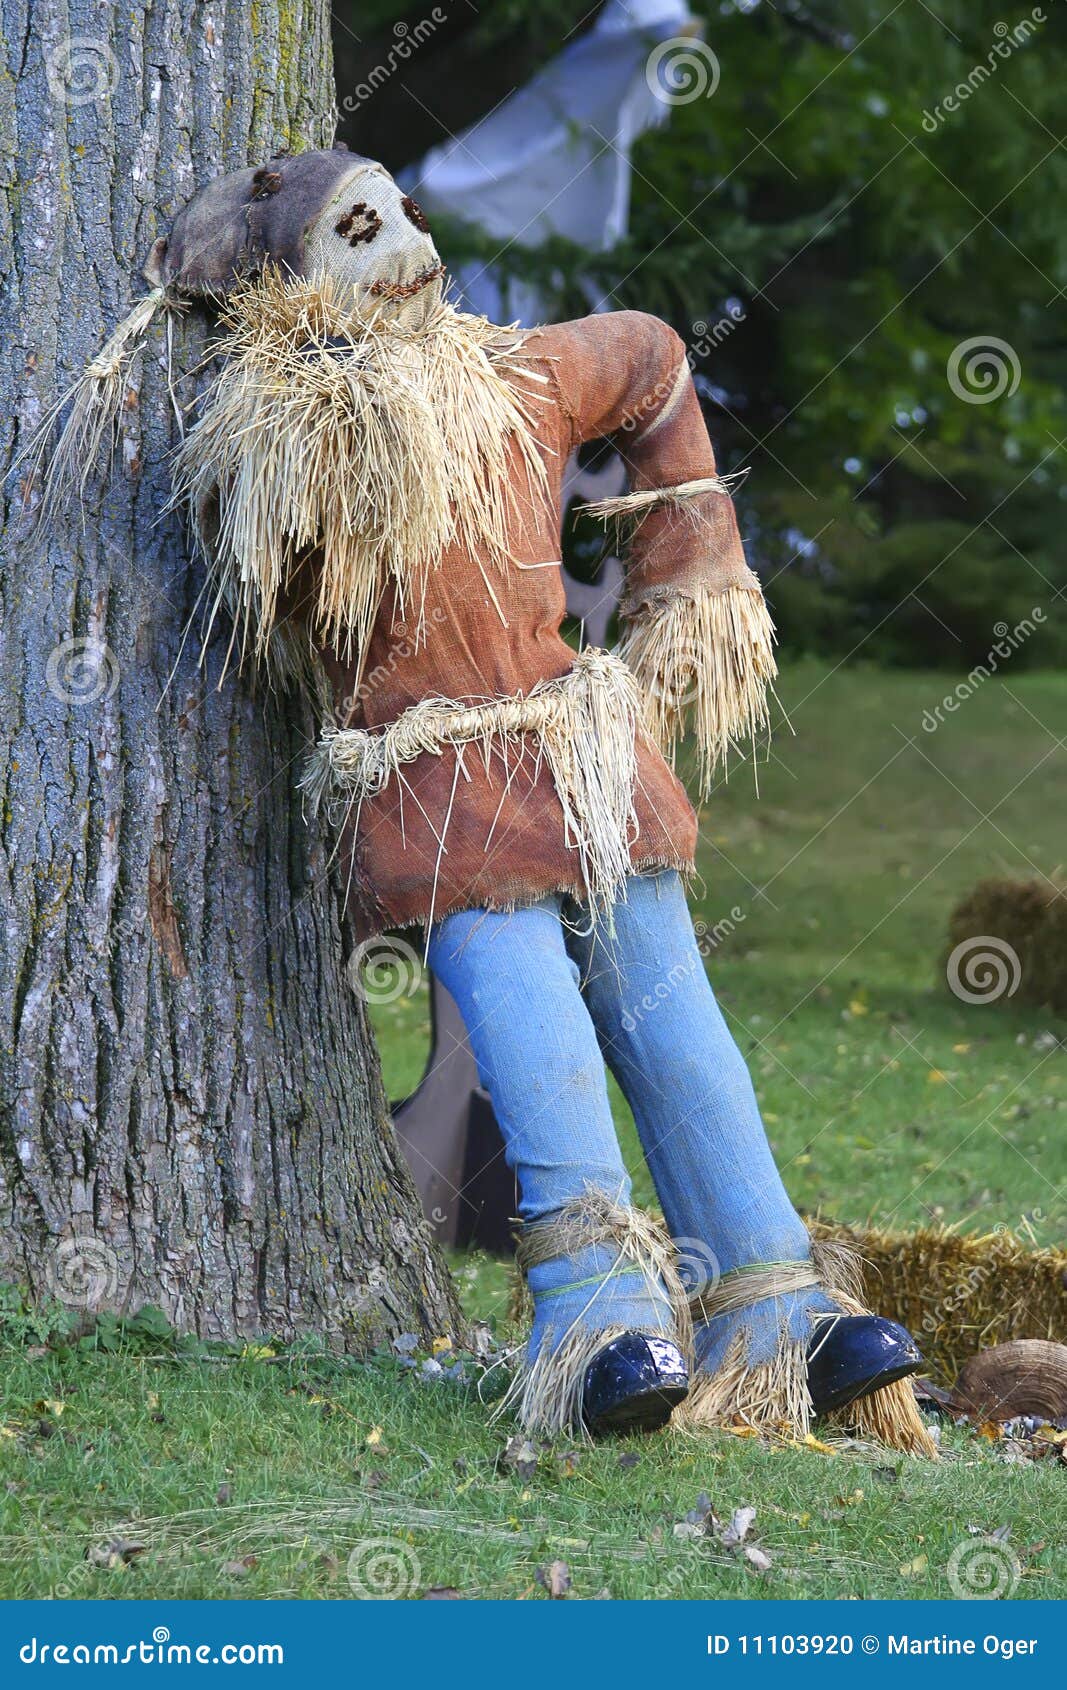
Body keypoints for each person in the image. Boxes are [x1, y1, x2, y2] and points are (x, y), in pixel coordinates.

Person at [42, 146, 933, 1454]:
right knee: (538, 1040)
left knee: (677, 1025)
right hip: (442, 782)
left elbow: (649, 356)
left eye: (403, 211)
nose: (404, 242)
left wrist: (692, 567)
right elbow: (287, 578)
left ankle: (780, 1306)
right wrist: (323, 430)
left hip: (582, 752)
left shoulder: (518, 374)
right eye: (361, 226)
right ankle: (597, 1319)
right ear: (297, 279)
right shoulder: (290, 424)